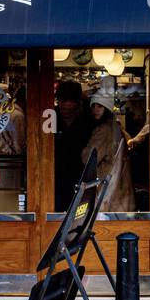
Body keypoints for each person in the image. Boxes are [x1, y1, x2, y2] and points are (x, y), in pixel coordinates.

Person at [83, 89, 135, 212]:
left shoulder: (104, 131)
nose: (95, 109)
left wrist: (83, 150)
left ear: (107, 108)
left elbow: (88, 159)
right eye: (93, 106)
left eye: (100, 106)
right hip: (120, 190)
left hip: (107, 191)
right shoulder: (116, 128)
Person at [54, 79, 93, 210]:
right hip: (56, 176)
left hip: (81, 175)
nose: (63, 105)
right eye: (60, 100)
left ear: (77, 102)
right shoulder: (52, 117)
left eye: (67, 100)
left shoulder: (88, 118)